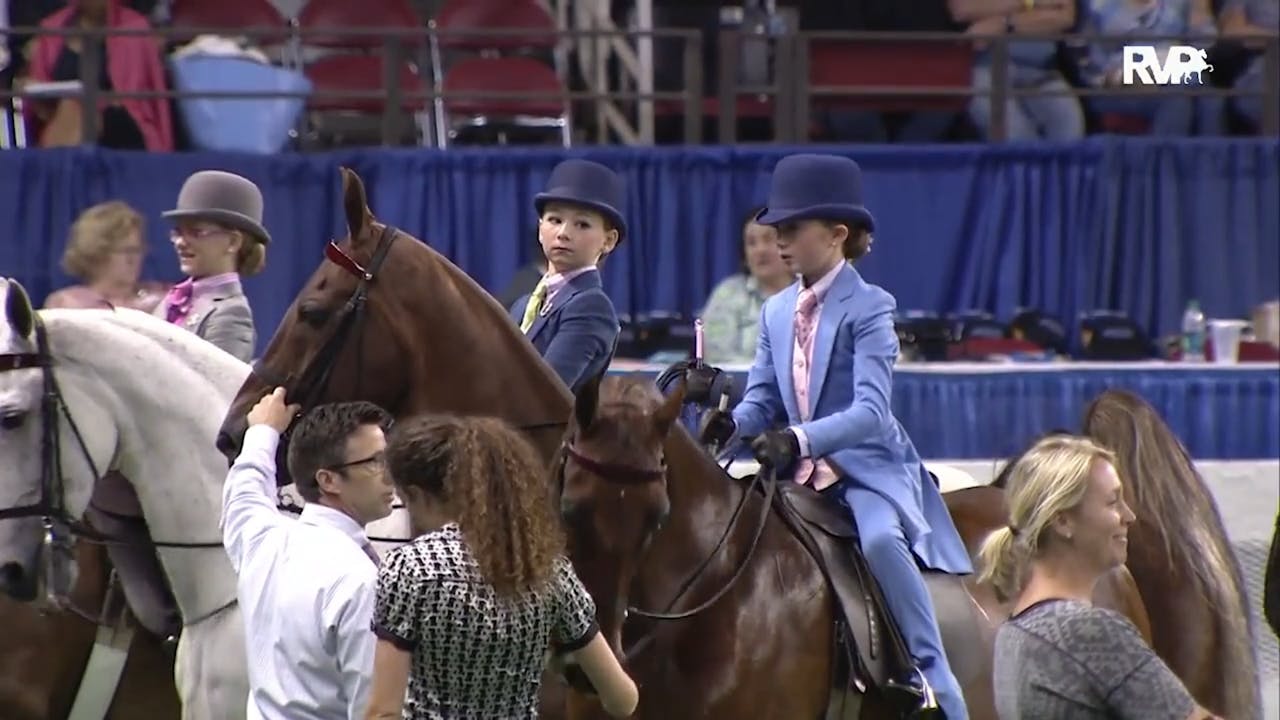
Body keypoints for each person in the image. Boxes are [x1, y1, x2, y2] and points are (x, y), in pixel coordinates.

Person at [693, 153, 973, 720]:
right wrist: (733, 425)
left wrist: (798, 439)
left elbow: (871, 411)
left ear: (838, 234)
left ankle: (929, 677)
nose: (779, 241)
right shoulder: (776, 312)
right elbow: (763, 399)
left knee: (880, 542)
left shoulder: (871, 308)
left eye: (792, 229)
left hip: (865, 469)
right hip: (799, 475)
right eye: (776, 228)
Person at [363, 414, 638, 720]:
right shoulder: (547, 570)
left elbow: (382, 712)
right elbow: (623, 699)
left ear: (416, 494)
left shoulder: (410, 569)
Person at [978, 435, 1220, 720]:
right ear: (1063, 521)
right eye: (1113, 502)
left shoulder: (1012, 633)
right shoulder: (1089, 631)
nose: (1128, 516)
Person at [223, 388, 397, 720]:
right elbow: (374, 711)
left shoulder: (264, 541)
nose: (391, 474)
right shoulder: (361, 584)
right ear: (328, 480)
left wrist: (263, 431)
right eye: (375, 462)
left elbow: (243, 493)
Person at [509, 159, 624, 393]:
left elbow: (544, 392)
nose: (563, 233)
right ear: (540, 229)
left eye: (582, 224)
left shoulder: (590, 306)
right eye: (555, 220)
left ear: (608, 240)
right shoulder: (523, 305)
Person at [21, 0, 173, 150]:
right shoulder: (52, 28)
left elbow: (139, 101)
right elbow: (38, 91)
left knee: (80, 111)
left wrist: (98, 102)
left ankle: (57, 163)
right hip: (62, 116)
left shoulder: (134, 28)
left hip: (122, 121)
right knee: (71, 109)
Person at [155, 169, 269, 363]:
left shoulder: (231, 313)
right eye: (178, 232)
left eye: (197, 232)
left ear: (233, 242)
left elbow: (217, 381)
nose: (180, 242)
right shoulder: (173, 299)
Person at [698, 206, 793, 364]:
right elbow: (717, 358)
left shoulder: (811, 292)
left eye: (768, 239)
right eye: (751, 243)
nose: (760, 250)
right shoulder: (728, 294)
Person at [45, 200, 168, 311]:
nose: (133, 259)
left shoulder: (161, 299)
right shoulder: (68, 303)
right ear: (96, 253)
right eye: (125, 251)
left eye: (137, 250)